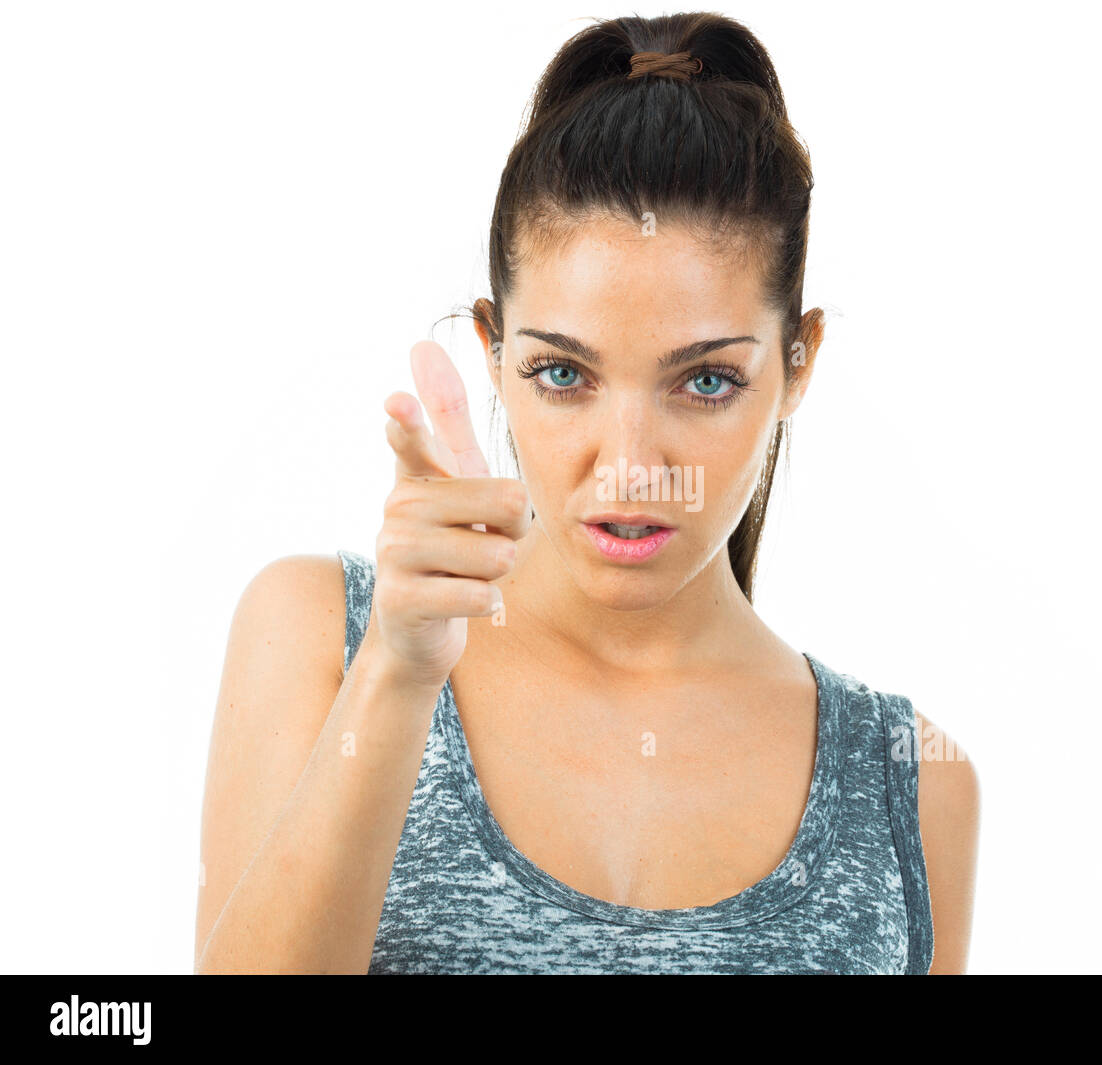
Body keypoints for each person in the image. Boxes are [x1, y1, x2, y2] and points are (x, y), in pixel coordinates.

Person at [194, 11, 979, 975]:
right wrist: (397, 676)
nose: (631, 466)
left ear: (799, 360)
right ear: (492, 351)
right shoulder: (322, 634)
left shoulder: (909, 788)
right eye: (564, 375)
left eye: (705, 380)